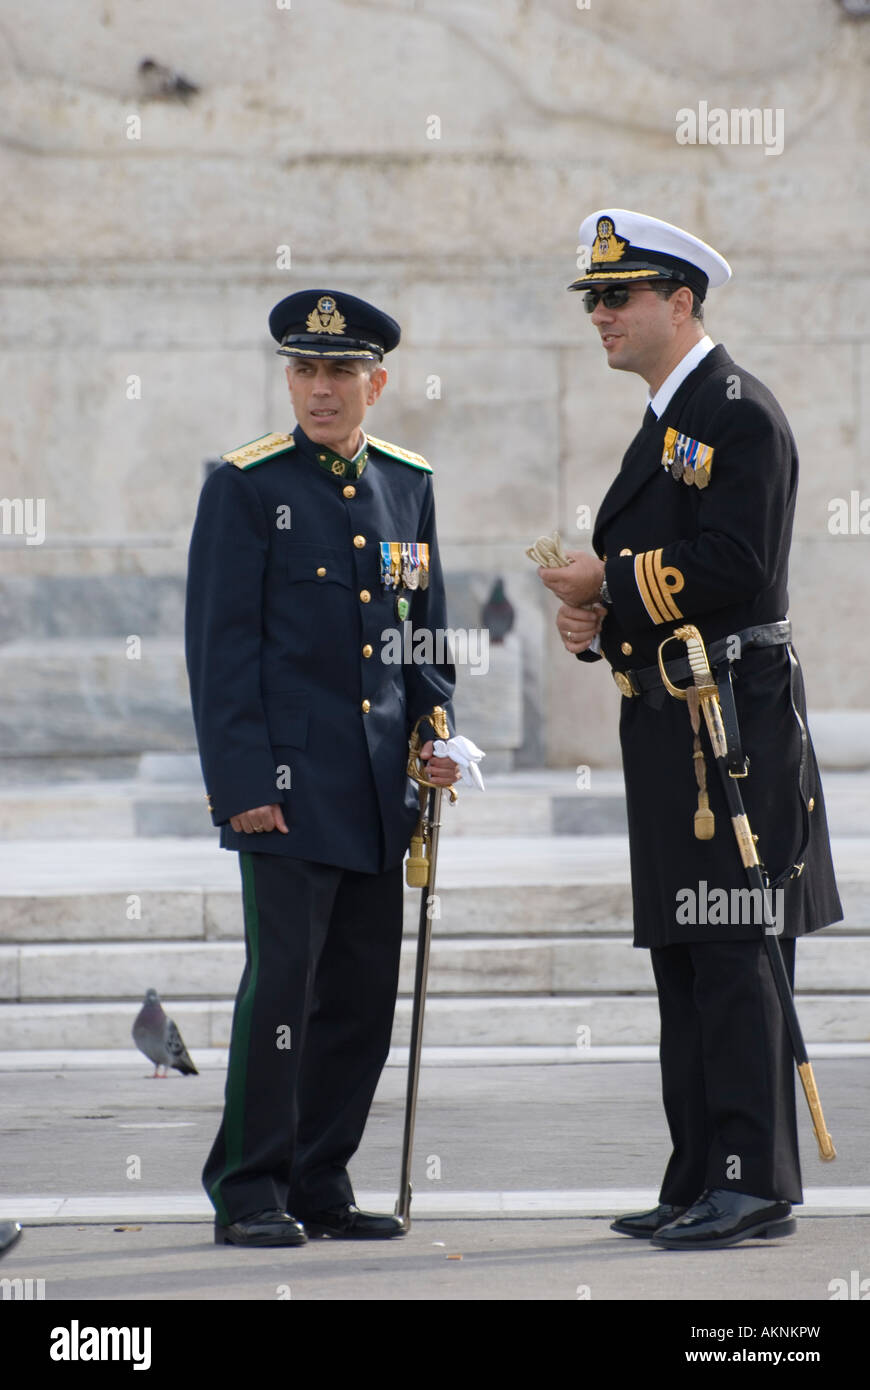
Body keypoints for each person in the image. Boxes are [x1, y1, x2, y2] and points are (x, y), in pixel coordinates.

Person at [538, 210, 842, 1250]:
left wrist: (607, 579)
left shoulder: (735, 412)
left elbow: (737, 566)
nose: (600, 316)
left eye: (617, 296)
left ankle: (749, 1176)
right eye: (592, 298)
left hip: (733, 729)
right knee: (686, 953)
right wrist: (597, 621)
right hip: (676, 724)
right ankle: (696, 1170)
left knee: (735, 950)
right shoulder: (671, 421)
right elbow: (672, 583)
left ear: (681, 302)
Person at [186, 289, 459, 1246]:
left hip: (382, 793)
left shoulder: (407, 482)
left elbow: (424, 637)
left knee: (357, 999)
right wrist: (246, 788)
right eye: (303, 370)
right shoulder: (246, 487)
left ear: (376, 382)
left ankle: (320, 1180)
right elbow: (221, 651)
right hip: (288, 796)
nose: (320, 389)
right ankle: (251, 1186)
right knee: (284, 994)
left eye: (340, 372)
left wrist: (437, 732)